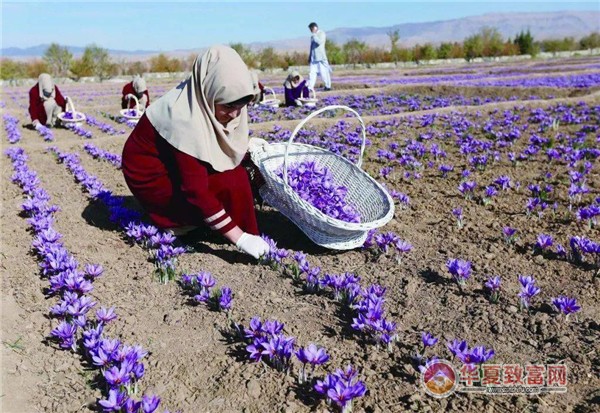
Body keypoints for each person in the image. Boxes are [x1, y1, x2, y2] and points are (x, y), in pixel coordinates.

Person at [121, 45, 270, 259]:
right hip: (152, 178)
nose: (235, 114)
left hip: (173, 162)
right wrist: (240, 238)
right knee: (231, 180)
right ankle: (176, 225)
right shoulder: (184, 118)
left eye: (242, 104)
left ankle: (218, 222)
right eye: (228, 106)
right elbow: (195, 190)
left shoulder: (211, 99)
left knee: (239, 171)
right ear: (209, 91)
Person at [307, 22, 332, 91]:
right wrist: (310, 56)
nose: (310, 31)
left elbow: (319, 42)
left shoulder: (321, 33)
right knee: (312, 73)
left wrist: (314, 34)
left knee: (324, 72)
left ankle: (328, 86)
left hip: (321, 57)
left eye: (311, 29)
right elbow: (311, 47)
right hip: (314, 58)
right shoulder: (313, 36)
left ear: (314, 27)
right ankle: (310, 87)